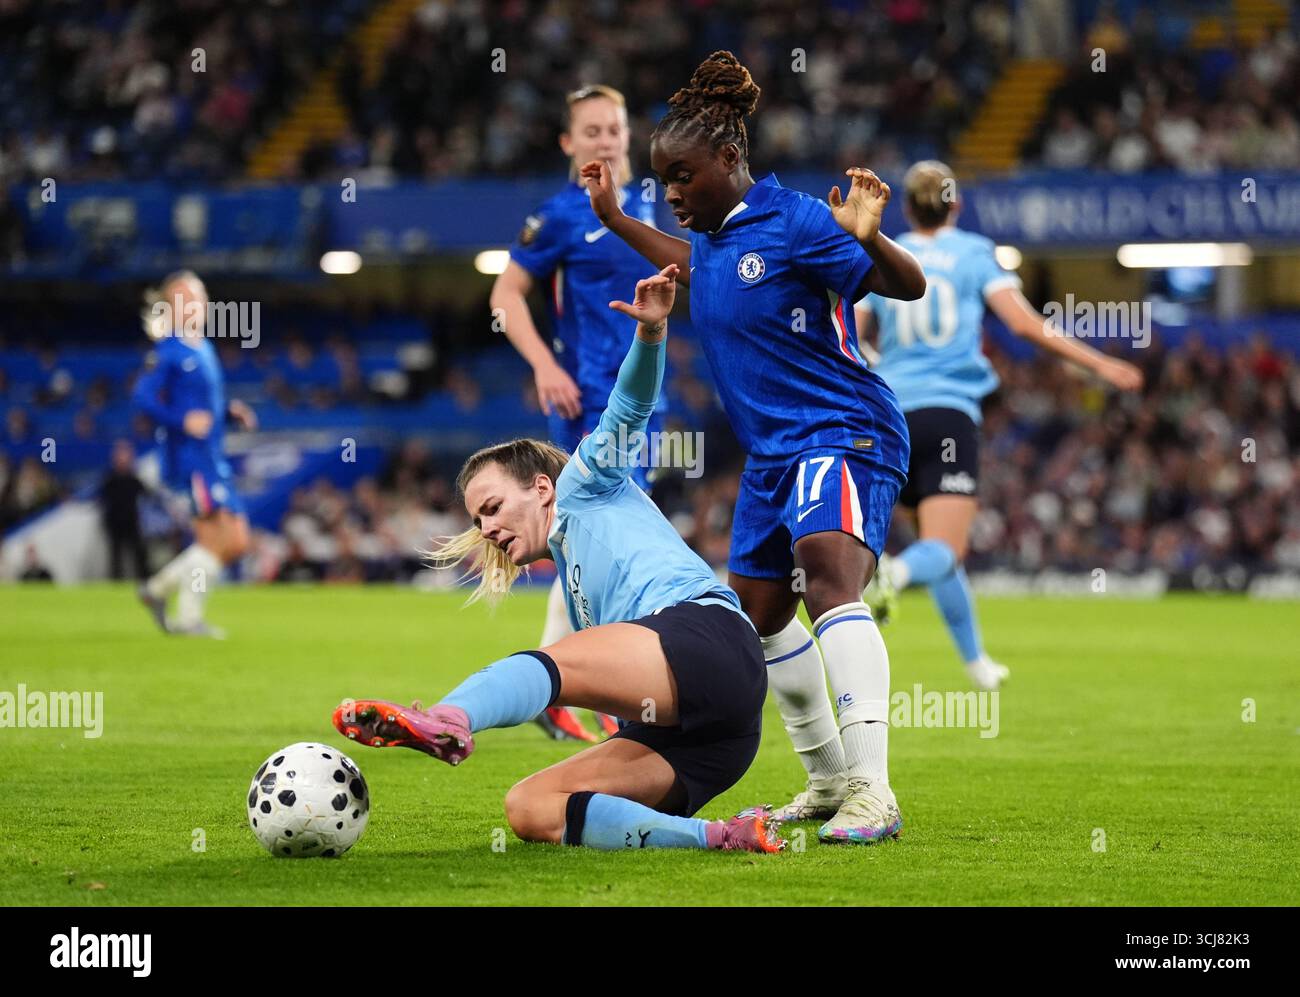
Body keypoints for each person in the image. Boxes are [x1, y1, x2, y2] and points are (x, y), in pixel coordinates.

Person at [580, 51, 926, 843]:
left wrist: (873, 241)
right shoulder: (718, 235)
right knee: (761, 616)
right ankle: (830, 781)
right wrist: (614, 222)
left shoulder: (800, 219)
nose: (670, 194)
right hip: (774, 455)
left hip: (843, 428)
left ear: (730, 160)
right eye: (663, 181)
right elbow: (697, 266)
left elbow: (908, 287)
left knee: (831, 580)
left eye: (682, 178)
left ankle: (876, 791)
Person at [334, 265, 781, 853]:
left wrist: (650, 336)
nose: (487, 528)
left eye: (492, 506)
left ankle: (449, 718)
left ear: (542, 487)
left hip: (706, 639)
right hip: (710, 739)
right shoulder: (573, 584)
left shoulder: (583, 484)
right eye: (476, 521)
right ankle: (722, 836)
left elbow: (630, 408)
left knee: (547, 665)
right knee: (531, 807)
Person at [856, 160, 1144, 689]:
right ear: (956, 205)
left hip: (891, 413)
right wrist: (1101, 365)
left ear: (907, 208)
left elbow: (853, 333)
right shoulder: (973, 252)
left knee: (936, 548)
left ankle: (976, 663)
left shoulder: (887, 252)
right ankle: (890, 575)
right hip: (947, 413)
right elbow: (1021, 323)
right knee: (947, 549)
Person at [490, 83, 663, 743]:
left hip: (647, 395)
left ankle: (555, 684)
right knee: (605, 535)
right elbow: (506, 293)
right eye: (591, 131)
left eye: (614, 129)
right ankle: (599, 686)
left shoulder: (650, 205)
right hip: (592, 398)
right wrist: (542, 363)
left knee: (593, 535)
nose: (605, 140)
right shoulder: (559, 215)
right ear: (569, 142)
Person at [131, 271, 256, 637]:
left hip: (211, 454)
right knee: (225, 541)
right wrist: (180, 420)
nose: (196, 305)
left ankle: (158, 592)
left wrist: (228, 414)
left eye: (199, 297)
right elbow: (142, 396)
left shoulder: (203, 346)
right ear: (171, 306)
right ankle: (184, 615)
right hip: (191, 459)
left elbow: (204, 407)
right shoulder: (168, 350)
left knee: (228, 542)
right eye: (186, 299)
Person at [98, 439, 150, 581]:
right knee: (116, 556)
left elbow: (148, 495)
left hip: (132, 521)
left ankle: (145, 582)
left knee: (139, 554)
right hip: (114, 522)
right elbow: (101, 499)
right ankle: (116, 583)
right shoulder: (109, 479)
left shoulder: (134, 479)